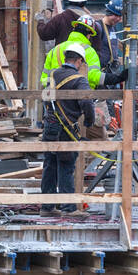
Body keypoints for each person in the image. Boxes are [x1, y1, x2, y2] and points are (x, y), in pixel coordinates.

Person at [40, 43, 95, 216]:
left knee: (49, 164)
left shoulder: (53, 74)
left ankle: (47, 207)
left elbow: (44, 96)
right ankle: (69, 208)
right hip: (67, 128)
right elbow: (86, 101)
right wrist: (89, 119)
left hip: (50, 125)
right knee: (66, 165)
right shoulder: (79, 80)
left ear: (65, 58)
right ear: (79, 61)